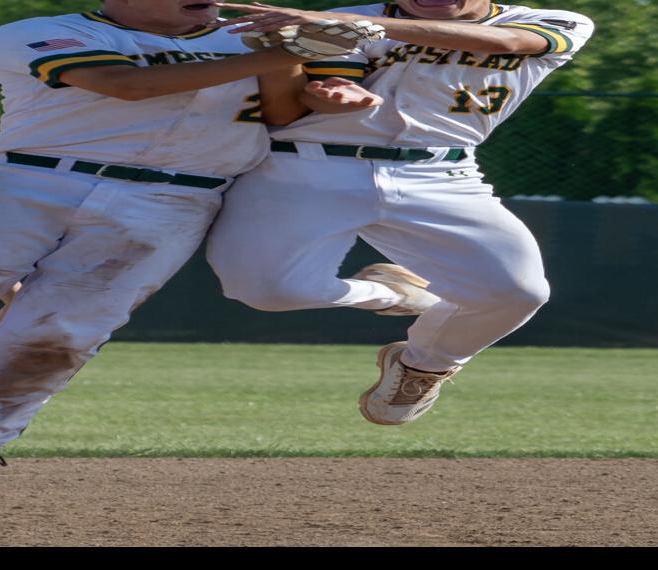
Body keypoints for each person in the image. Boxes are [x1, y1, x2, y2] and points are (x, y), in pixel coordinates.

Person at [0, 0, 386, 491]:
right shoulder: (35, 30)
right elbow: (124, 84)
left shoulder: (250, 39)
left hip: (174, 198)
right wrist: (273, 50)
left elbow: (279, 116)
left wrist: (287, 59)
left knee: (65, 330)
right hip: (27, 181)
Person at [205, 0, 594, 425]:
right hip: (306, 167)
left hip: (441, 172)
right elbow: (321, 88)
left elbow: (510, 42)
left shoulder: (552, 21)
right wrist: (334, 94)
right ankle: (392, 294)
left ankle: (424, 365)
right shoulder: (342, 18)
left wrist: (358, 25)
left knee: (518, 292)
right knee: (266, 293)